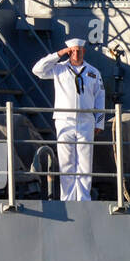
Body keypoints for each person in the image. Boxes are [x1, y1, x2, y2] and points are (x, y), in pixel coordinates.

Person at [32, 38, 105, 201]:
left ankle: (83, 197)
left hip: (86, 120)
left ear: (84, 51)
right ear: (68, 52)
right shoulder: (59, 69)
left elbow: (100, 97)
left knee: (85, 162)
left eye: (79, 50)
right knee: (67, 162)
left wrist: (99, 122)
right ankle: (68, 197)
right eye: (72, 50)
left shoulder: (93, 72)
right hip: (64, 120)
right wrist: (58, 55)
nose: (76, 53)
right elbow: (37, 70)